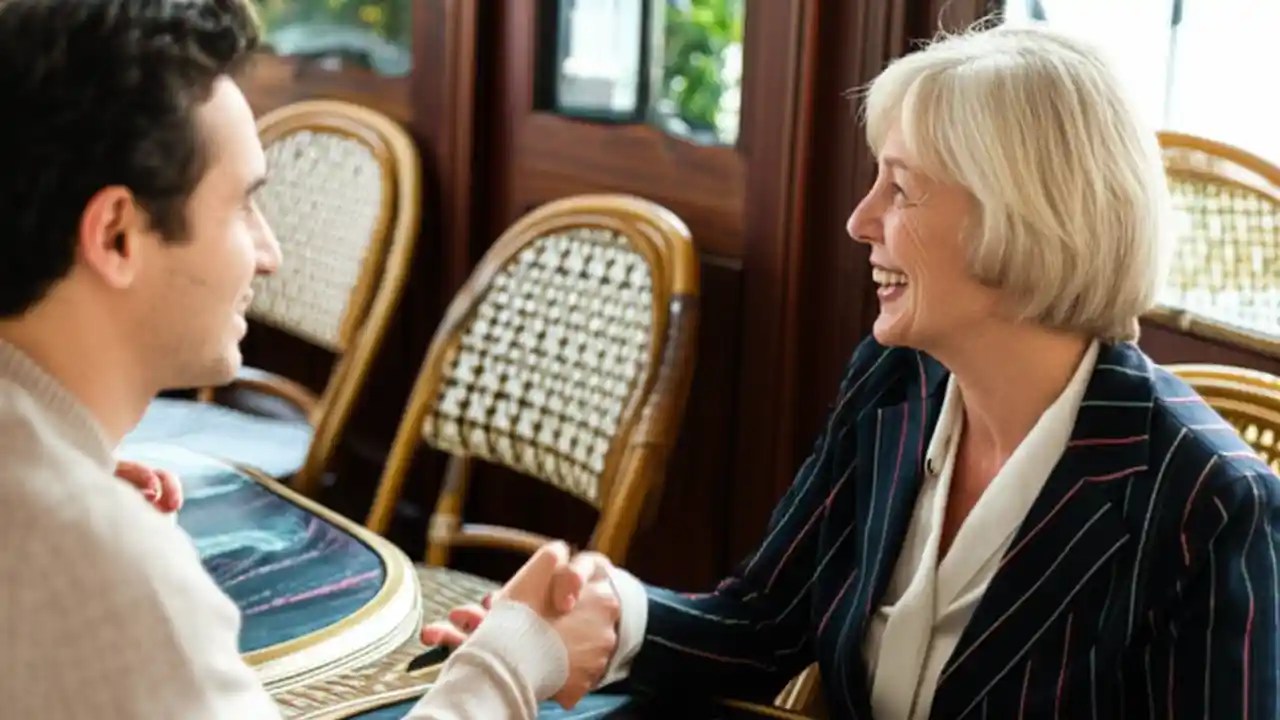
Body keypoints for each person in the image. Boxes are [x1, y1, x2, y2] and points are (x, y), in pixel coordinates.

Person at [423, 24, 1280, 719]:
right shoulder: (896, 383)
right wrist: (613, 618)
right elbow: (765, 623)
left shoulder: (1206, 500)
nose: (858, 219)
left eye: (900, 190)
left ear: (1024, 223)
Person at [0, 1, 615, 718]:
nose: (270, 253)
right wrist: (514, 660)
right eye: (242, 206)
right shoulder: (111, 570)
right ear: (115, 236)